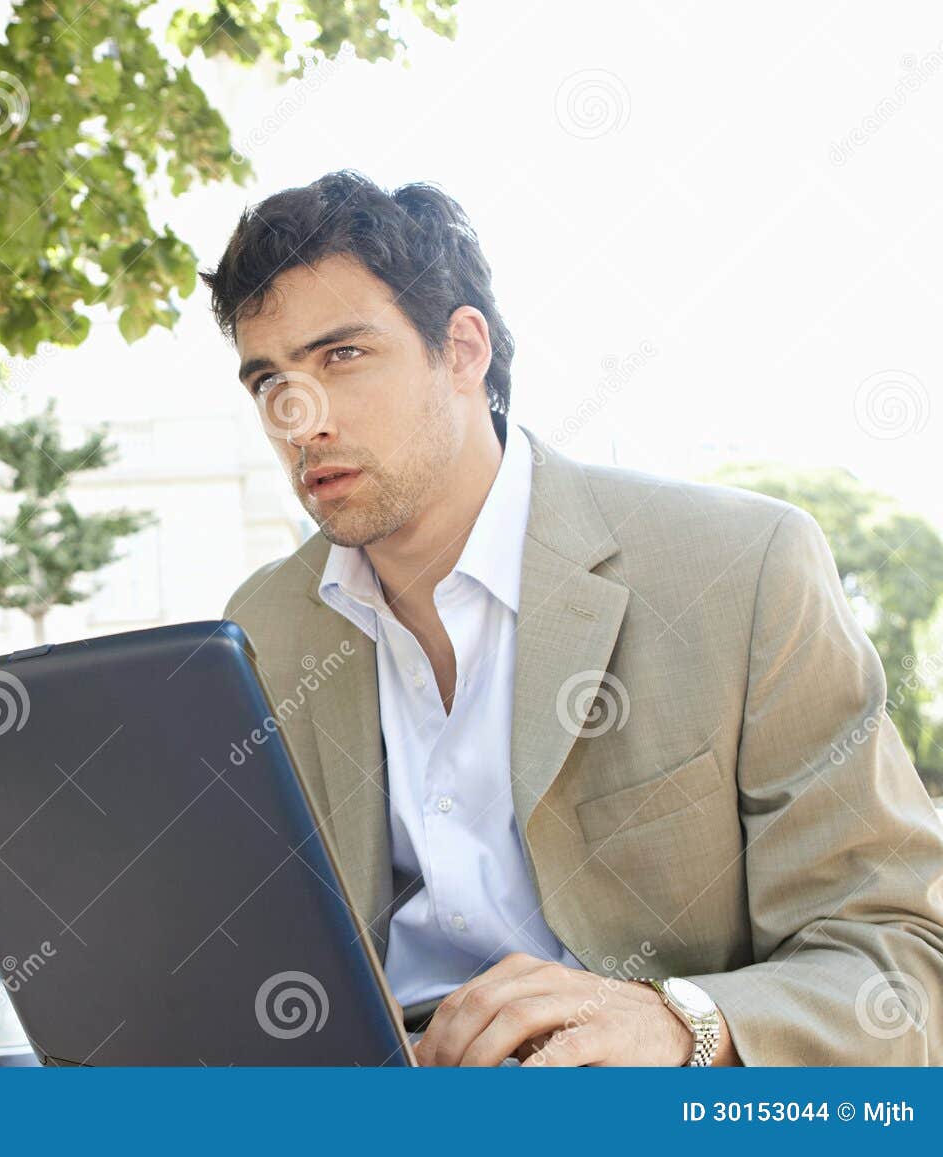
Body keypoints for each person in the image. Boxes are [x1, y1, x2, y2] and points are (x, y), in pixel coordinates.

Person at [205, 170, 943, 1065]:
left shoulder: (742, 570)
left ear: (463, 350)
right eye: (268, 380)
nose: (298, 418)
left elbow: (900, 956)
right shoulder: (261, 628)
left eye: (342, 357)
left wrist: (682, 1022)